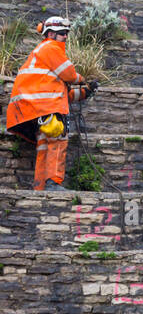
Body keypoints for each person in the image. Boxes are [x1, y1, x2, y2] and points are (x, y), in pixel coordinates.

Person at [5, 15, 95, 189]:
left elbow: (62, 93)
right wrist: (83, 79)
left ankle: (40, 186)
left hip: (36, 108)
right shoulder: (51, 48)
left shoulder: (42, 57)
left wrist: (85, 92)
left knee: (44, 145)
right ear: (51, 34)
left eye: (66, 33)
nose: (66, 37)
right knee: (58, 140)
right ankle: (53, 182)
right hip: (46, 107)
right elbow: (69, 74)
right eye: (62, 33)